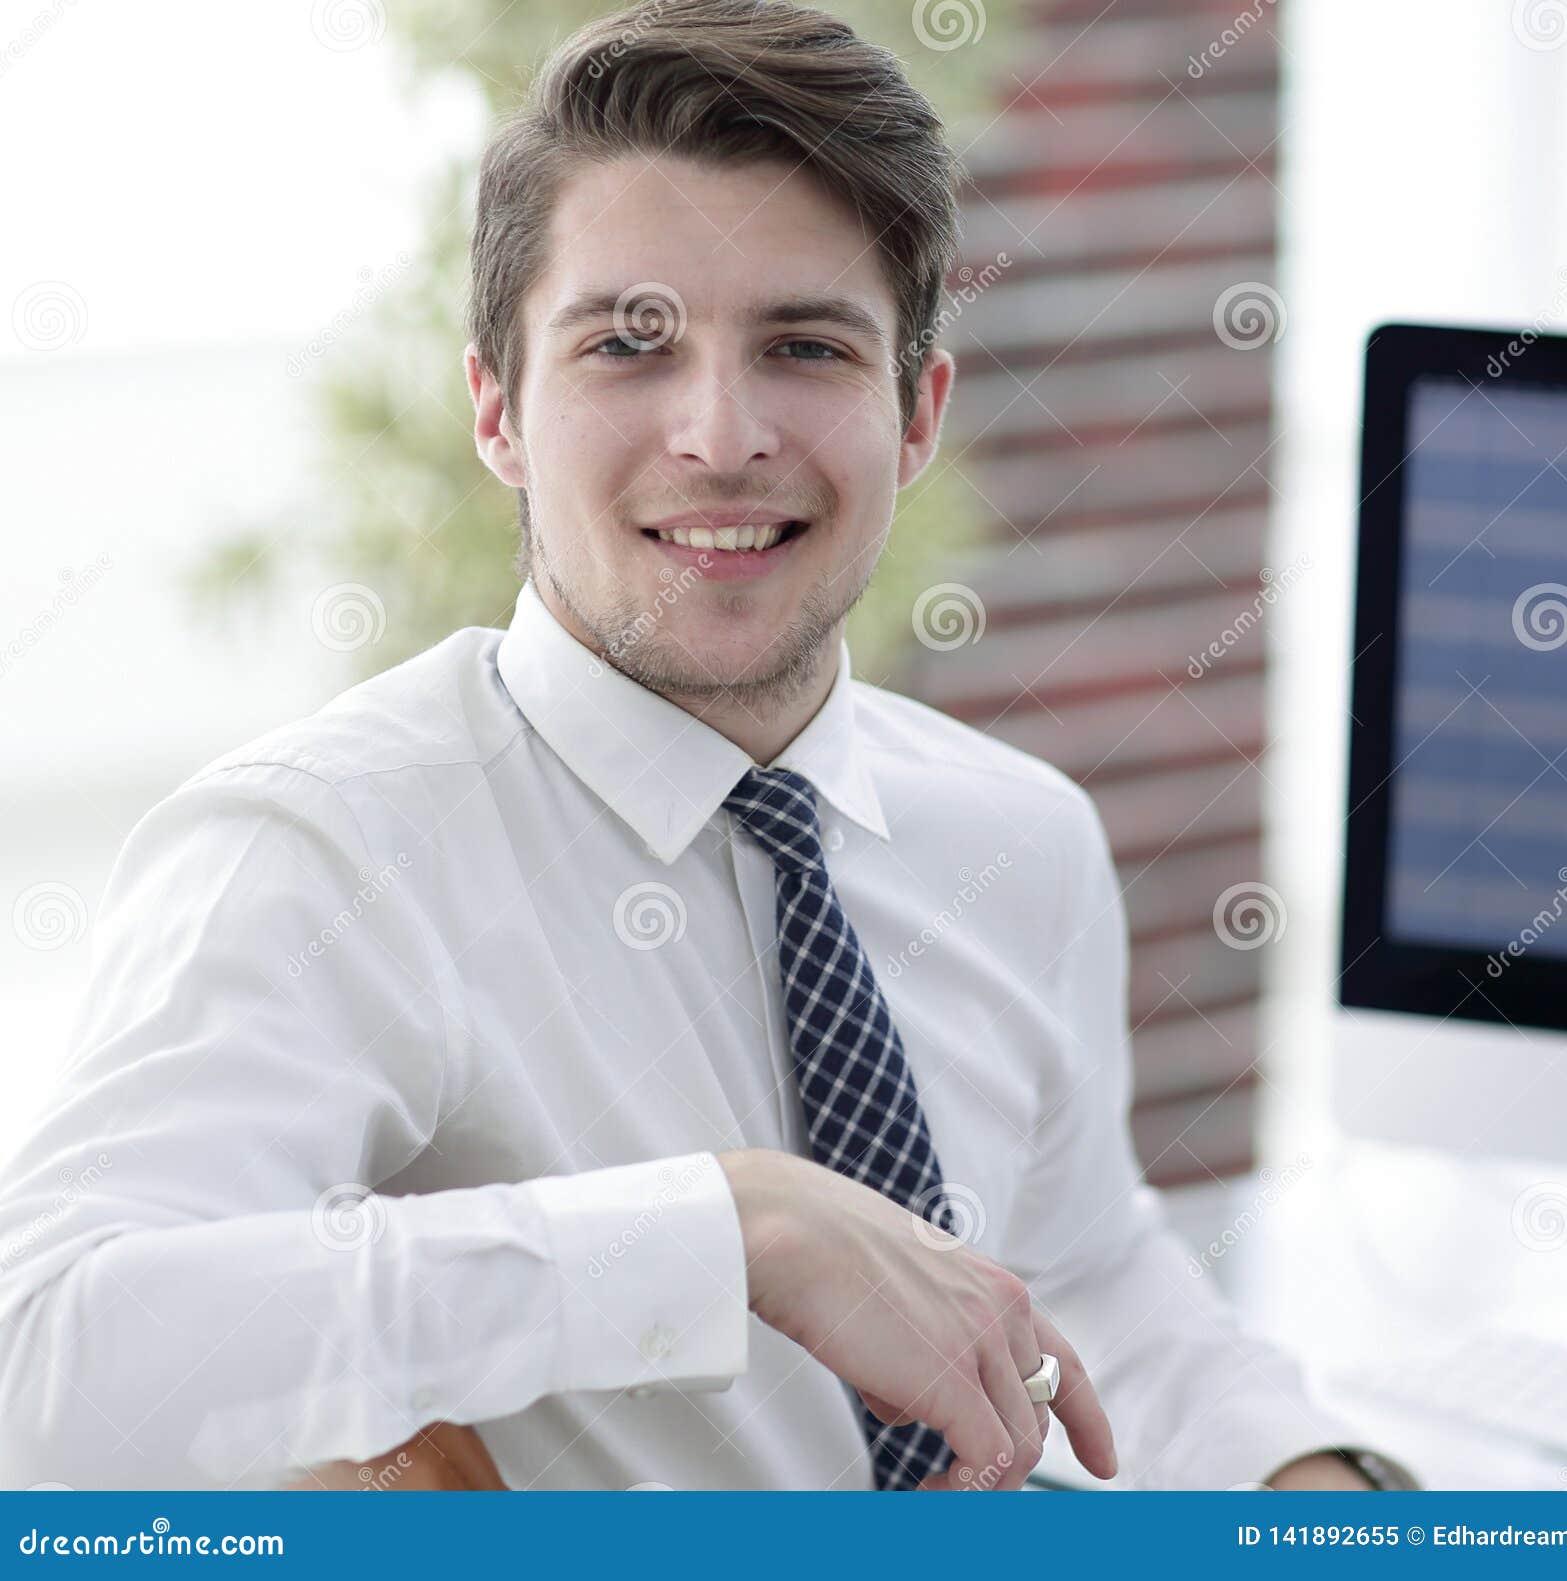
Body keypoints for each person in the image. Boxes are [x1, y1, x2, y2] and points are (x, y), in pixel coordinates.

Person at [0, 0, 1411, 1493]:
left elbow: (1082, 1269)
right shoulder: (332, 852)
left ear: (916, 411)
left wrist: (1315, 1480)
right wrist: (726, 1231)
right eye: (627, 343)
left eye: (804, 345)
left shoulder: (1023, 831)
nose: (722, 434)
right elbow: (41, 1366)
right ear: (498, 407)